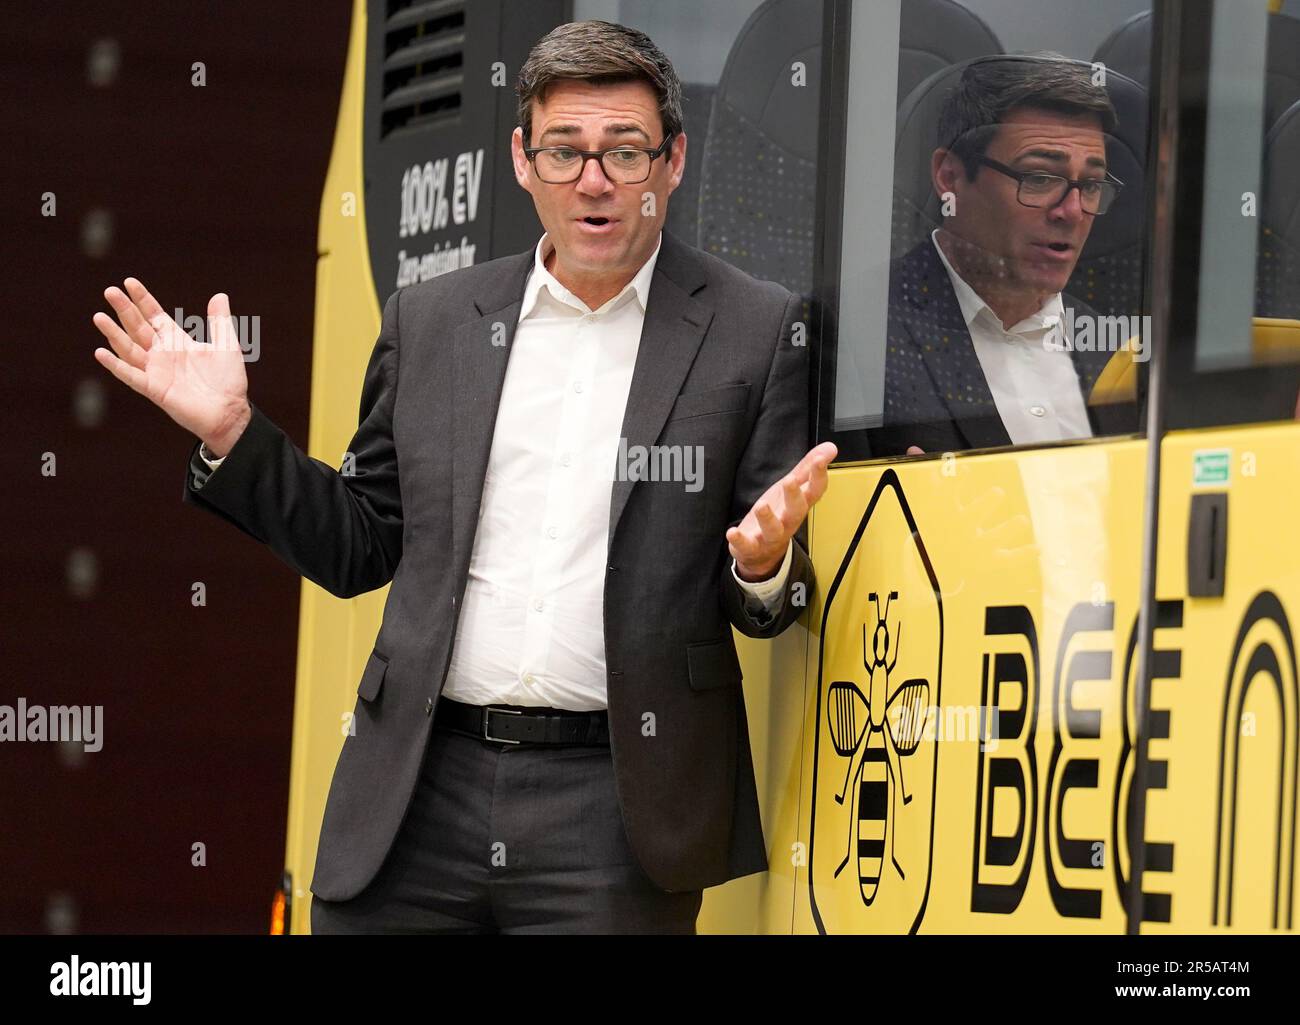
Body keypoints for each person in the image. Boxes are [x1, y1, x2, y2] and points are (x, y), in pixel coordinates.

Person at [90, 19, 836, 934]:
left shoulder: (756, 332)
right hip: (415, 793)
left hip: (614, 812)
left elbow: (764, 587)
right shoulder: (434, 321)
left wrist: (762, 563)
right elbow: (363, 542)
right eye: (564, 151)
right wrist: (235, 434)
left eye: (624, 152)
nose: (593, 181)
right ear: (523, 161)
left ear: (673, 161)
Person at [875, 55, 1134, 457]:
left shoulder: (1118, 351)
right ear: (951, 176)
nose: (1072, 211)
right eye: (1040, 178)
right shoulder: (859, 332)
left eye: (1093, 184)